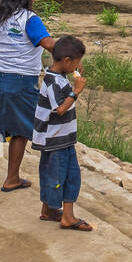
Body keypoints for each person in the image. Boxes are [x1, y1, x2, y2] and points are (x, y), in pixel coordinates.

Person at [0, 0, 56, 193]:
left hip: (0, 81)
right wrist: (73, 57)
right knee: (45, 131)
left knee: (19, 131)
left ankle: (12, 178)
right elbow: (49, 45)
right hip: (23, 83)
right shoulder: (30, 20)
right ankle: (54, 185)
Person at [34, 34, 91, 231]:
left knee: (57, 174)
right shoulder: (53, 82)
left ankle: (48, 209)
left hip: (60, 138)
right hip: (55, 139)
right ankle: (67, 217)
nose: (77, 67)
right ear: (67, 61)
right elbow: (59, 109)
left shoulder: (58, 77)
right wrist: (76, 91)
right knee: (64, 176)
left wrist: (72, 76)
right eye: (76, 63)